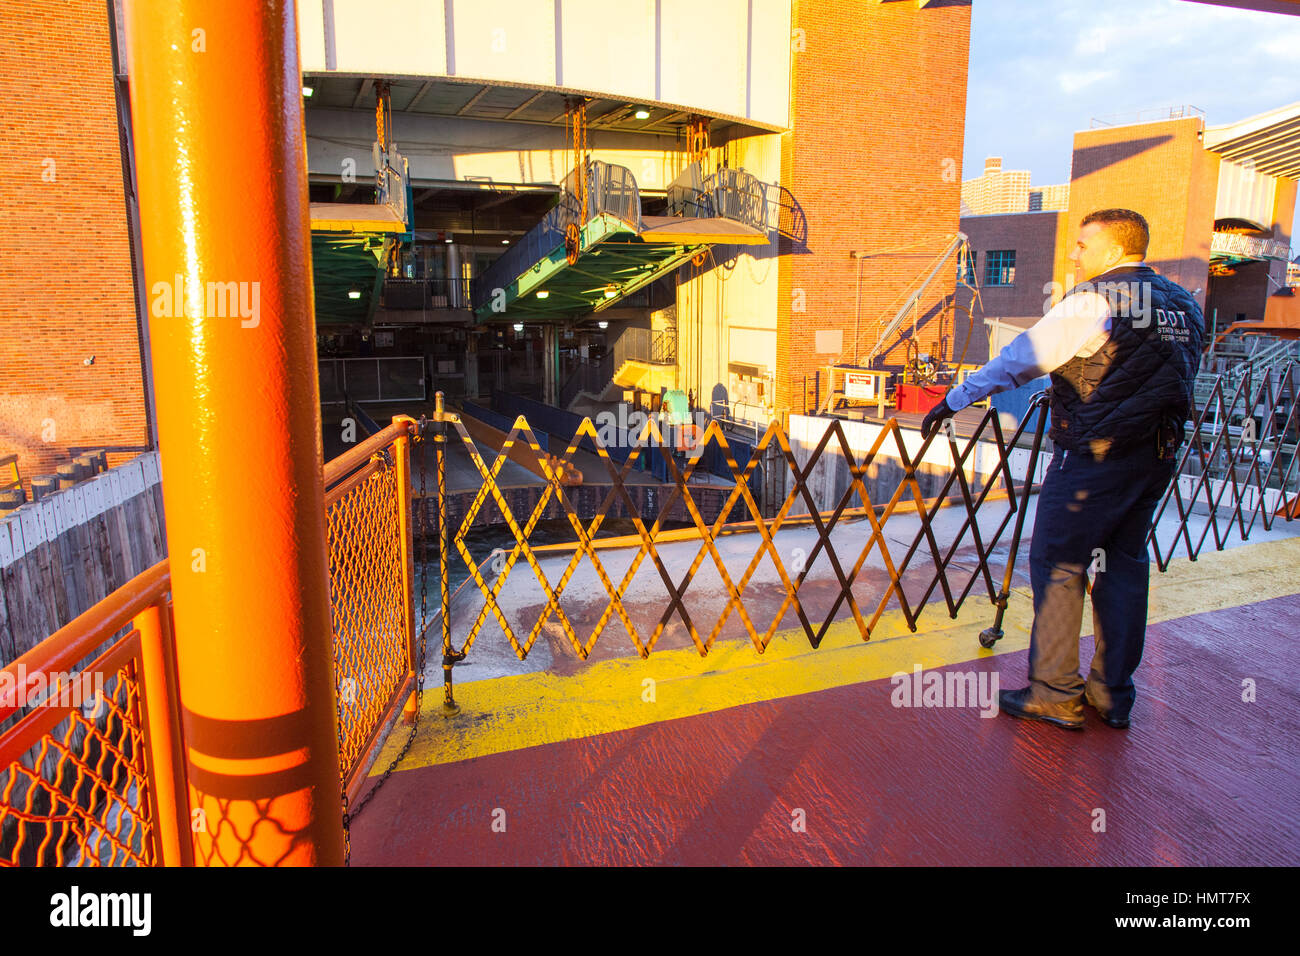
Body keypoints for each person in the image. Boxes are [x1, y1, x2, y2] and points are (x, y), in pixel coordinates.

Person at [920, 208, 1205, 730]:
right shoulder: (1184, 304)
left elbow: (1020, 359)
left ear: (1115, 251)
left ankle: (1054, 691)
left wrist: (955, 398)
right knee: (1123, 565)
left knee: (1059, 565)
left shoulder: (1097, 300)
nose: (1073, 254)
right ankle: (1113, 693)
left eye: (1082, 244)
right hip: (1156, 456)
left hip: (1094, 459)